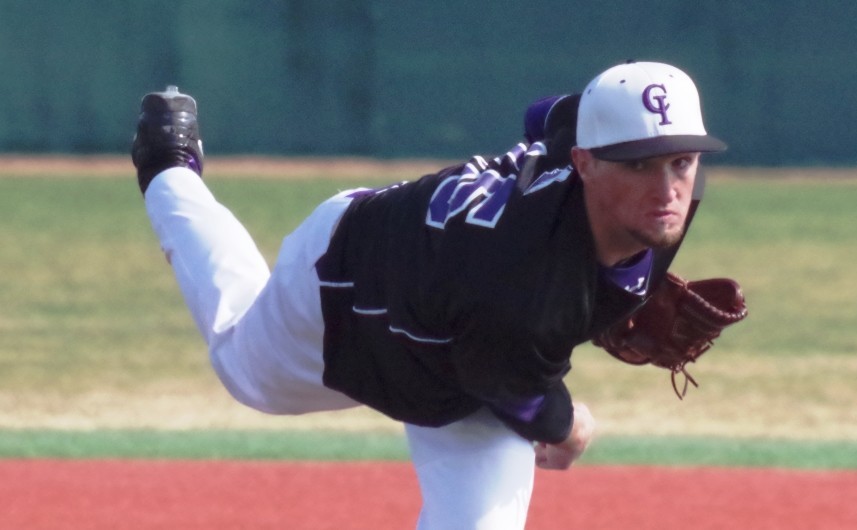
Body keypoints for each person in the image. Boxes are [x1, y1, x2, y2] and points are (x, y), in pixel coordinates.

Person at [131, 61, 726, 529]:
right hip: (351, 272)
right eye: (640, 165)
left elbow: (547, 114)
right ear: (585, 164)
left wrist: (597, 294)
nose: (668, 187)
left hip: (458, 338)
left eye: (681, 161)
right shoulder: (517, 294)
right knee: (245, 372)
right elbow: (530, 395)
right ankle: (168, 170)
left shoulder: (606, 162)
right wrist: (570, 427)